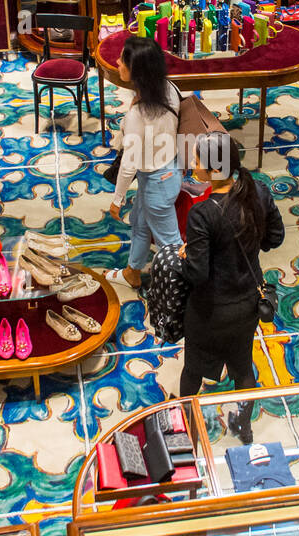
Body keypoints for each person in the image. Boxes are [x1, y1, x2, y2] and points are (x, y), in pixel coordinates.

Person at [179, 132, 284, 444]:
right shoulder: (259, 192)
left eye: (197, 159)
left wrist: (184, 256)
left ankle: (188, 426)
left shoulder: (203, 213)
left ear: (214, 170)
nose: (193, 164)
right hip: (247, 304)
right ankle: (245, 426)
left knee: (193, 370)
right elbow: (274, 238)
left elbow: (197, 274)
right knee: (242, 368)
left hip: (209, 310)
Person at [106, 36, 182, 289]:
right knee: (139, 222)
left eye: (122, 60)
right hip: (168, 171)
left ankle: (181, 293)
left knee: (171, 247)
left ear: (136, 70)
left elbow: (129, 163)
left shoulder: (139, 115)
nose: (117, 62)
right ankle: (132, 272)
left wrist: (117, 199)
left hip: (157, 183)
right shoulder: (169, 88)